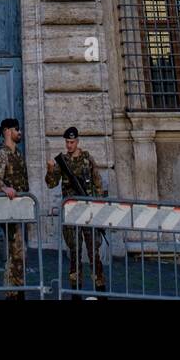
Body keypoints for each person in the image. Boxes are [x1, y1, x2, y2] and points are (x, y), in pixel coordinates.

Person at [46, 126, 107, 295]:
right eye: (67, 142)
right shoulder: (62, 161)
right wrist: (50, 169)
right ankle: (76, 289)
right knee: (74, 252)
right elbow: (51, 183)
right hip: (72, 214)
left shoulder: (87, 159)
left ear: (77, 141)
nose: (69, 145)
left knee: (93, 252)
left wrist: (99, 206)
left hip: (88, 212)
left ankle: (100, 287)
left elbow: (98, 183)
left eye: (72, 142)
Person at [0, 117, 29, 298]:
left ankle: (13, 292)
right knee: (17, 253)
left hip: (20, 210)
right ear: (7, 131)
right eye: (16, 129)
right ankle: (15, 293)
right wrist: (5, 188)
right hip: (9, 211)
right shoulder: (1, 155)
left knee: (17, 254)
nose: (19, 132)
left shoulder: (18, 155)